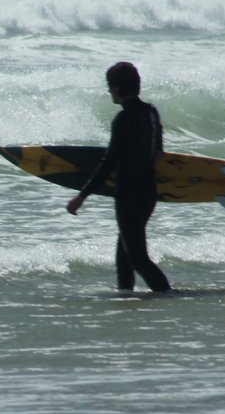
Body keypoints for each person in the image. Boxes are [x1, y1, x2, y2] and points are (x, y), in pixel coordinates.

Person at [65, 62, 172, 293]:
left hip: (129, 195)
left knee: (136, 258)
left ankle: (167, 297)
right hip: (148, 194)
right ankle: (125, 298)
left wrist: (81, 196)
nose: (108, 91)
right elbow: (159, 152)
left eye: (109, 87)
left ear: (117, 88)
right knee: (124, 257)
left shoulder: (123, 119)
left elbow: (109, 162)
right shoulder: (150, 112)